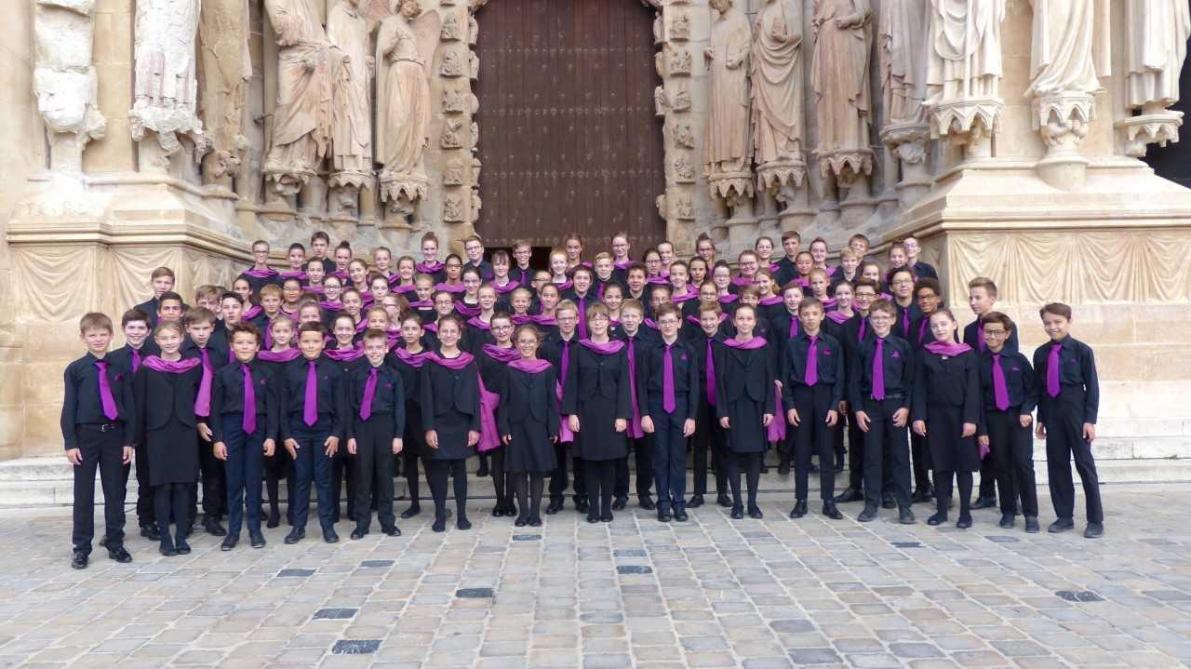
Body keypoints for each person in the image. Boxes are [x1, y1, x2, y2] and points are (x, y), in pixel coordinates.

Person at [62, 313, 135, 569]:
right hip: (86, 437)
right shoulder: (76, 369)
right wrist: (70, 442)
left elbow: (130, 407)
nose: (98, 339)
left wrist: (129, 440)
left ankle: (115, 541)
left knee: (115, 491)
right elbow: (69, 408)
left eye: (103, 334)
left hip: (115, 435)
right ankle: (81, 547)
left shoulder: (120, 368)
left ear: (111, 335)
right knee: (84, 494)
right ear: (83, 338)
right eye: (92, 335)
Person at [1033, 303, 1104, 538]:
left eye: (1057, 322)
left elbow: (1092, 387)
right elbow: (1041, 389)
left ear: (1068, 321)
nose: (1052, 327)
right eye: (1047, 323)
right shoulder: (1041, 353)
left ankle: (1095, 519)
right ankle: (1064, 516)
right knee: (1057, 465)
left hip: (1075, 410)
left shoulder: (1082, 351)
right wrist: (1041, 418)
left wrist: (1089, 420)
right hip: (1052, 413)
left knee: (1084, 464)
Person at [134, 321, 204, 557]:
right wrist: (137, 437)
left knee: (184, 485)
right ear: (156, 341)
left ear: (182, 338)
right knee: (162, 486)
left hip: (184, 430)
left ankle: (182, 536)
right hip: (157, 432)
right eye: (164, 339)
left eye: (173, 338)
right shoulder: (147, 368)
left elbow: (200, 398)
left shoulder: (193, 366)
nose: (169, 342)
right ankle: (165, 537)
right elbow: (140, 404)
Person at [209, 323, 279, 550]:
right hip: (232, 427)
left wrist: (270, 436)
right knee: (234, 481)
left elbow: (272, 408)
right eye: (239, 342)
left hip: (257, 428)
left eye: (249, 343)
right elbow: (215, 409)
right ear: (232, 345)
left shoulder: (267, 373)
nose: (245, 347)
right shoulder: (223, 374)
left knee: (253, 480)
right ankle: (233, 531)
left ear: (258, 345)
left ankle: (255, 530)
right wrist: (218, 439)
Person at [562, 303, 632, 523]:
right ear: (588, 323)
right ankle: (593, 507)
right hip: (586, 412)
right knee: (589, 461)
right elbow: (571, 382)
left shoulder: (619, 349)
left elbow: (624, 384)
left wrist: (623, 414)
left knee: (610, 462)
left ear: (609, 322)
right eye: (594, 319)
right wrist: (571, 413)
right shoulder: (579, 349)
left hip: (612, 412)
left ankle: (606, 507)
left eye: (602, 318)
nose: (599, 322)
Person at [911, 310, 981, 529]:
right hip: (935, 417)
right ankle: (941, 511)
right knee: (940, 466)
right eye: (935, 326)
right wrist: (919, 416)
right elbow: (919, 388)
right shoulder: (926, 354)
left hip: (961, 417)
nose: (939, 329)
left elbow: (973, 390)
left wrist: (971, 419)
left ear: (954, 324)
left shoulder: (968, 354)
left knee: (963, 466)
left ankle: (965, 513)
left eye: (943, 324)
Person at [850, 300, 916, 524]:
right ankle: (871, 504)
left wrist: (907, 407)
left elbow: (910, 381)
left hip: (896, 405)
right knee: (872, 456)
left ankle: (905, 506)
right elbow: (855, 381)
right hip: (871, 407)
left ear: (893, 320)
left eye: (884, 318)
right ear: (869, 321)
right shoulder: (863, 347)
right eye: (875, 318)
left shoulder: (902, 347)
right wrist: (858, 410)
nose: (879, 322)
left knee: (899, 456)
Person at [280, 322, 347, 544]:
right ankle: (298, 527)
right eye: (306, 341)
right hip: (298, 430)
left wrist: (336, 433)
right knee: (300, 479)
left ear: (323, 342)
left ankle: (327, 526)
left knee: (324, 480)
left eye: (315, 341)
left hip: (324, 431)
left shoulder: (333, 370)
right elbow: (283, 407)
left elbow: (341, 406)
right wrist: (287, 435)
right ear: (298, 342)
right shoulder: (289, 370)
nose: (310, 345)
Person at [976, 312, 1040, 533]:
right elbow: (977, 400)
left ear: (1007, 334)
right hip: (994, 419)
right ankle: (1008, 511)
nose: (992, 336)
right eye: (988, 332)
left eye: (997, 332)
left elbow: (1033, 388)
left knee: (1023, 464)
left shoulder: (1018, 360)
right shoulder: (979, 362)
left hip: (1018, 417)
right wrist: (982, 430)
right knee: (1001, 465)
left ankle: (1031, 513)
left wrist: (1026, 410)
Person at [782, 298, 845, 520]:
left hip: (824, 397)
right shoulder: (792, 344)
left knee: (827, 451)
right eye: (805, 314)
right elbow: (785, 378)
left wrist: (834, 406)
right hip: (801, 398)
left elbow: (839, 377)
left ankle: (828, 500)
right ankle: (801, 500)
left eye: (814, 313)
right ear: (799, 317)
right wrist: (789, 406)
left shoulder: (832, 344)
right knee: (801, 451)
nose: (810, 318)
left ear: (822, 316)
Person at [637, 304, 698, 522]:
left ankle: (679, 502)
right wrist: (644, 413)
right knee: (660, 457)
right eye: (663, 322)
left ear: (680, 323)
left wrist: (691, 416)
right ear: (657, 325)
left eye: (672, 321)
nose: (668, 325)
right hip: (656, 405)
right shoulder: (649, 350)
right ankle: (663, 502)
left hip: (680, 406)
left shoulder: (688, 350)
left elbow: (694, 386)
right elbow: (641, 384)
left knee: (678, 457)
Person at [421, 315, 482, 532]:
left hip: (462, 422)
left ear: (459, 334)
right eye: (444, 331)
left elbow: (476, 395)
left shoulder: (469, 361)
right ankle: (439, 514)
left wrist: (475, 426)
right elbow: (426, 397)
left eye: (452, 331)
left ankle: (462, 515)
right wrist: (429, 428)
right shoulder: (429, 361)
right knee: (438, 471)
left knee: (460, 470)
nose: (448, 335)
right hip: (439, 422)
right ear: (437, 334)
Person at [715, 305, 775, 520]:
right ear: (733, 321)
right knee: (733, 454)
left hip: (756, 405)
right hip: (733, 406)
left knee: (753, 456)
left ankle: (752, 502)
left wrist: (770, 408)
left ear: (755, 322)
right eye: (740, 318)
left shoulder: (764, 347)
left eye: (749, 318)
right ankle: (737, 503)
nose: (744, 322)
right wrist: (722, 411)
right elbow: (719, 382)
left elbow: (770, 379)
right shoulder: (724, 347)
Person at [346, 329, 405, 539]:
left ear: (386, 348)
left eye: (379, 347)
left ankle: (387, 521)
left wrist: (398, 435)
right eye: (370, 348)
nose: (374, 352)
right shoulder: (355, 375)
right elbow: (349, 407)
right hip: (362, 426)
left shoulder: (394, 375)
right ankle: (362, 523)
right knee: (363, 475)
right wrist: (350, 435)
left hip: (385, 426)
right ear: (364, 349)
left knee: (385, 475)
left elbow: (399, 408)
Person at [964, 276, 1016, 510]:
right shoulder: (969, 330)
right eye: (971, 297)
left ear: (991, 299)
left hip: (1003, 396)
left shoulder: (1006, 326)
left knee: (1007, 450)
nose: (973, 302)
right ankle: (986, 493)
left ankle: (1011, 494)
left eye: (978, 297)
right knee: (983, 447)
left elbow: (1011, 360)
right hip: (980, 392)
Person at [501, 325, 560, 527]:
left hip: (539, 425)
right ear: (516, 344)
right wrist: (504, 428)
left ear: (537, 343)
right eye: (522, 341)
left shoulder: (547, 368)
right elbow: (505, 402)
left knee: (537, 470)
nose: (526, 345)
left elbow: (552, 400)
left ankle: (535, 513)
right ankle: (523, 513)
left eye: (530, 341)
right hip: (516, 425)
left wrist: (554, 428)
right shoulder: (509, 369)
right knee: (518, 470)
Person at [183, 307, 229, 537]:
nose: (201, 333)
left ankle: (212, 516)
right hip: (188, 422)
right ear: (187, 329)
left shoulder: (220, 353)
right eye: (196, 329)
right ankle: (188, 517)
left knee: (213, 472)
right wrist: (197, 421)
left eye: (205, 329)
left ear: (212, 328)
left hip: (214, 419)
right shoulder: (181, 354)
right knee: (190, 472)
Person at [613, 299, 658, 510]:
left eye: (633, 316)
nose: (629, 320)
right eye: (626, 316)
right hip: (619, 403)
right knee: (620, 452)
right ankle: (620, 493)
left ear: (641, 318)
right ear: (620, 318)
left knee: (645, 452)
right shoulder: (613, 342)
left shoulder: (650, 343)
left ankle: (644, 492)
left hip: (643, 404)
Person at [542, 300, 583, 514]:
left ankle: (581, 495)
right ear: (556, 320)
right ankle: (556, 496)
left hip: (579, 406)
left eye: (570, 318)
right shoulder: (548, 346)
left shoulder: (585, 345)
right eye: (562, 318)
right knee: (556, 453)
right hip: (555, 405)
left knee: (579, 453)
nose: (566, 322)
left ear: (577, 319)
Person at [687, 301, 730, 508]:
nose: (708, 323)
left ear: (720, 319)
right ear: (699, 321)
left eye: (712, 319)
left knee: (722, 447)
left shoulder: (727, 344)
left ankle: (723, 491)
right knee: (700, 448)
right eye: (704, 319)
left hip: (721, 399)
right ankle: (698, 493)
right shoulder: (693, 345)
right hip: (700, 398)